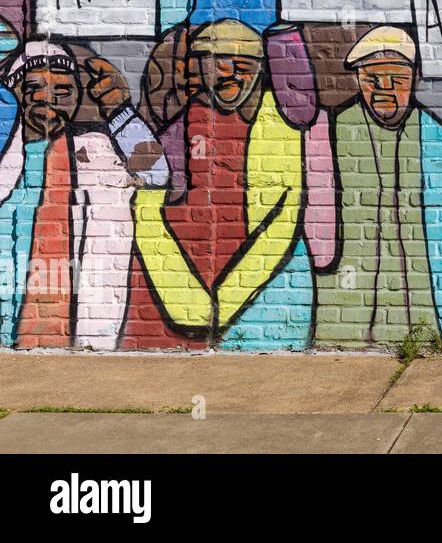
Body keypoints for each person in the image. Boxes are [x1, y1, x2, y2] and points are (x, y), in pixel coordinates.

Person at [127, 20, 309, 350]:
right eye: (219, 64)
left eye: (244, 66)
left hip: (249, 297)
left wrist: (221, 304)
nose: (230, 75)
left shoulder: (277, 129)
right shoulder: (180, 123)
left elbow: (279, 226)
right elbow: (148, 204)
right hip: (169, 278)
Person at [310, 26, 442, 348]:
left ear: (413, 80)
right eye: (372, 80)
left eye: (396, 80)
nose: (384, 89)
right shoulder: (332, 131)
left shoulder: (434, 138)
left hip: (418, 295)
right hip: (346, 292)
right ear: (358, 80)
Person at [0, 40, 167, 349]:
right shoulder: (7, 155)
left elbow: (156, 172)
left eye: (63, 93)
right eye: (33, 91)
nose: (48, 102)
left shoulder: (91, 150)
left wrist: (119, 112)